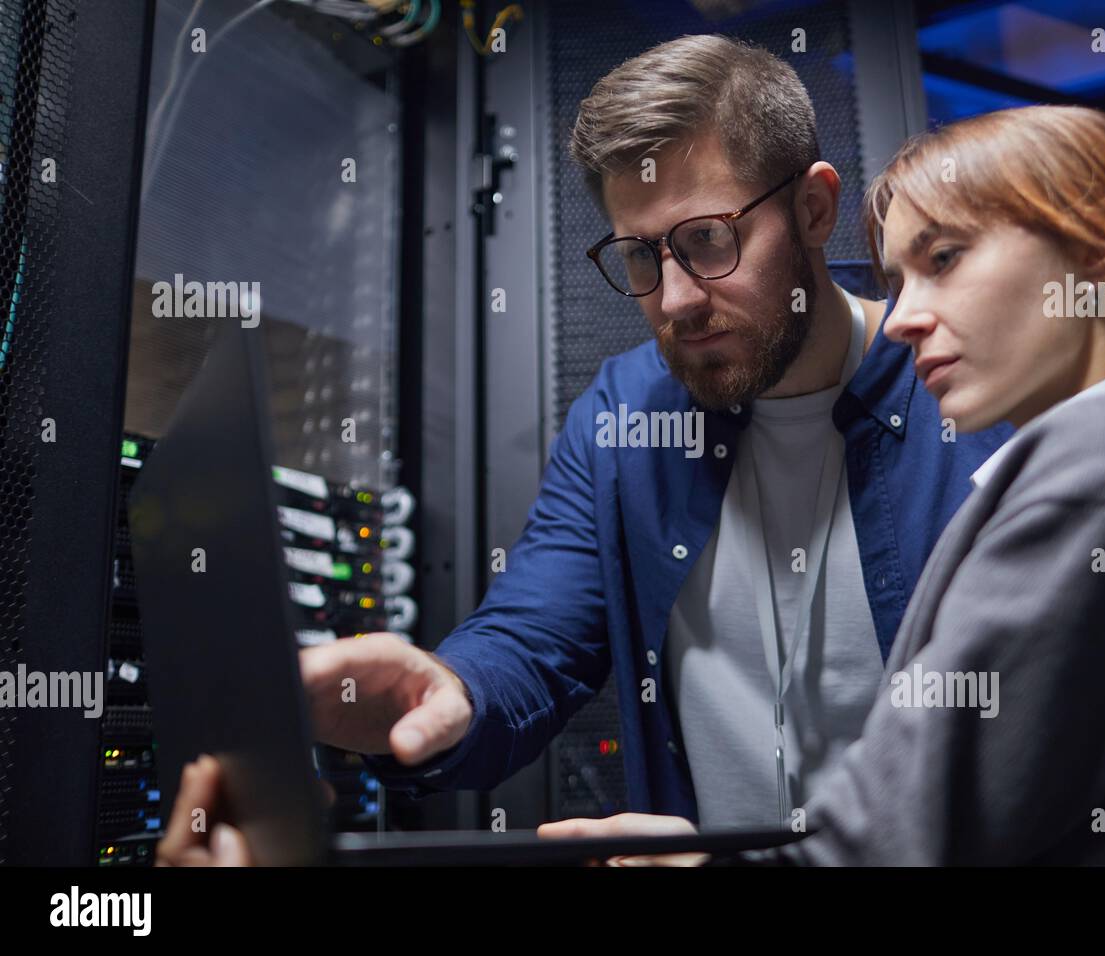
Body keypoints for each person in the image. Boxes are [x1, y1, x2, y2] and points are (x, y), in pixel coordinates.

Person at [156, 34, 1007, 865]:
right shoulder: (624, 412)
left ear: (814, 209)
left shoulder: (978, 395)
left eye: (708, 239)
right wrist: (447, 692)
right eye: (640, 254)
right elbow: (534, 637)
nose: (675, 299)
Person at [733, 103, 1105, 865]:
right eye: (897, 280)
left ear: (1099, 244)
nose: (902, 318)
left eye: (943, 259)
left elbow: (889, 850)